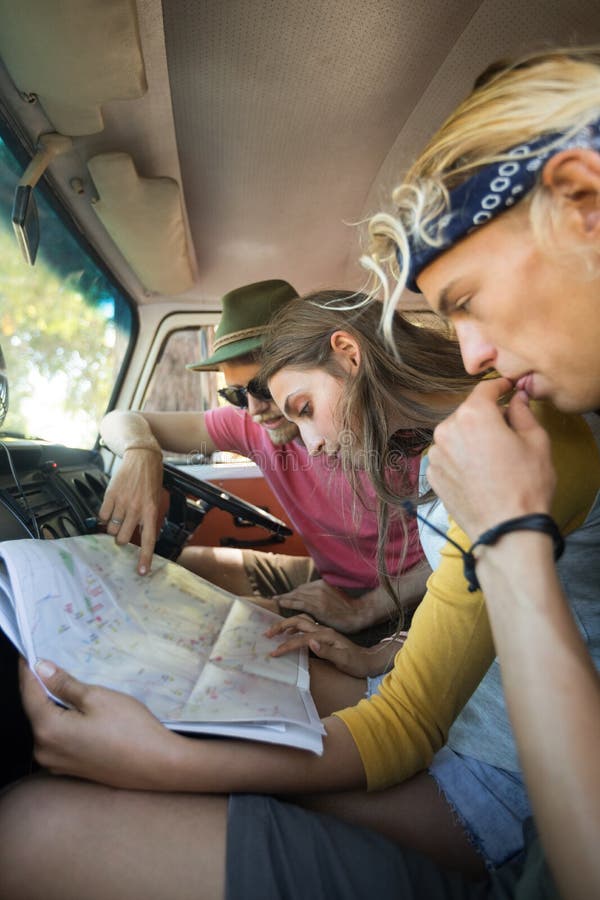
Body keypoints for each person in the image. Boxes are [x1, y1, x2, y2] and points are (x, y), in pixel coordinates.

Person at [1, 230, 599, 900]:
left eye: (300, 407)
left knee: (39, 826)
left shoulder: (518, 442)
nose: (305, 438)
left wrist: (164, 762)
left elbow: (412, 720)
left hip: (495, 767)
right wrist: (386, 654)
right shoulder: (455, 444)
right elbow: (475, 610)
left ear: (347, 353)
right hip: (465, 707)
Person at [99, 278, 429, 634]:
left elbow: (452, 557)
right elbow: (119, 420)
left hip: (404, 596)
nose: (254, 409)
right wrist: (140, 451)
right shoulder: (252, 426)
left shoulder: (396, 434)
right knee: (172, 569)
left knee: (227, 625)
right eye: (236, 394)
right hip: (328, 578)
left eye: (262, 387)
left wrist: (364, 610)